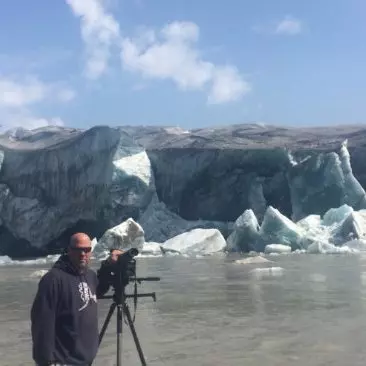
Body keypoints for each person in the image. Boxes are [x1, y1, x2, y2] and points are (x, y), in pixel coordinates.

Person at [30, 232, 99, 366]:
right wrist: (46, 359)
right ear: (69, 250)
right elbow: (41, 322)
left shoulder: (91, 276)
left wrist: (110, 266)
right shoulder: (53, 279)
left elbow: (97, 293)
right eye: (78, 249)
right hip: (63, 361)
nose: (83, 254)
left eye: (86, 249)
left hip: (86, 359)